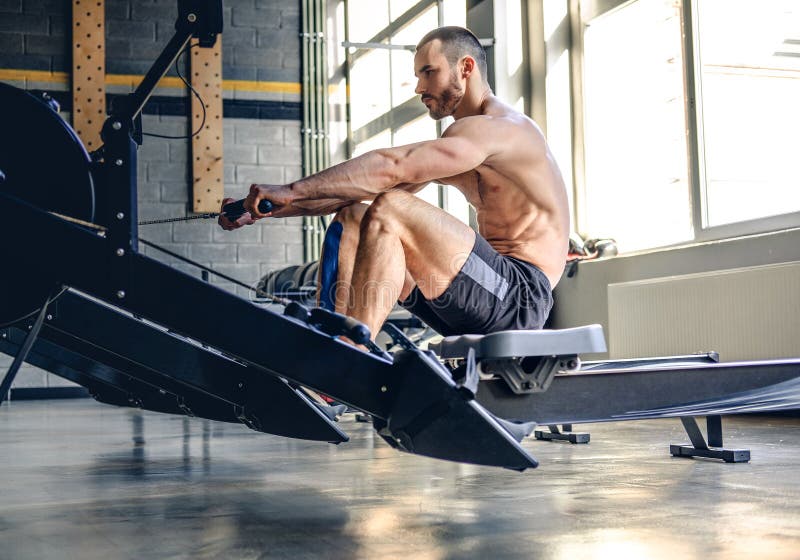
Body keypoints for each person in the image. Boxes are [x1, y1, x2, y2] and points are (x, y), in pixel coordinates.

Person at [219, 26, 569, 340]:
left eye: (429, 72)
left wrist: (292, 189)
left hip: (518, 297)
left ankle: (349, 361)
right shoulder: (465, 141)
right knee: (355, 215)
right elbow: (365, 189)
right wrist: (269, 208)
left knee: (390, 210)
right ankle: (326, 345)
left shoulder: (502, 130)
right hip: (475, 295)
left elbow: (394, 167)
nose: (419, 87)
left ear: (466, 68)